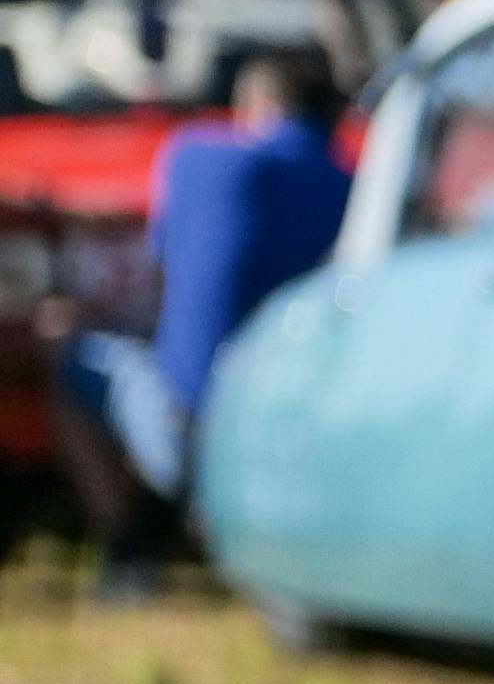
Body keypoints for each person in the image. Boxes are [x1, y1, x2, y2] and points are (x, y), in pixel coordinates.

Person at [47, 44, 349, 585]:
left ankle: (131, 543)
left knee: (74, 355)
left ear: (257, 102)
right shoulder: (366, 185)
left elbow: (163, 283)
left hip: (198, 439)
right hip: (317, 442)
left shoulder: (195, 156)